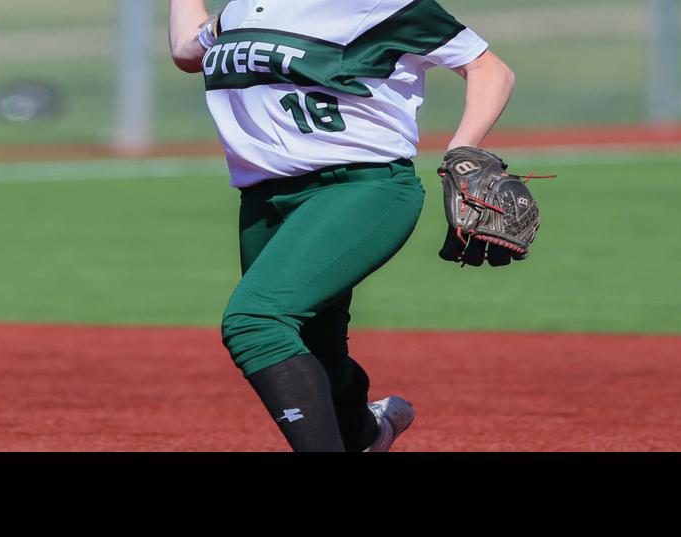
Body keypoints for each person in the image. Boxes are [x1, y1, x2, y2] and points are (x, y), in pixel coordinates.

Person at [168, 0, 516, 452]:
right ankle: (368, 433)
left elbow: (489, 68)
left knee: (256, 322)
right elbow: (186, 50)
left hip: (360, 188)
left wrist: (460, 152)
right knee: (318, 348)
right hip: (264, 201)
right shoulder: (239, 11)